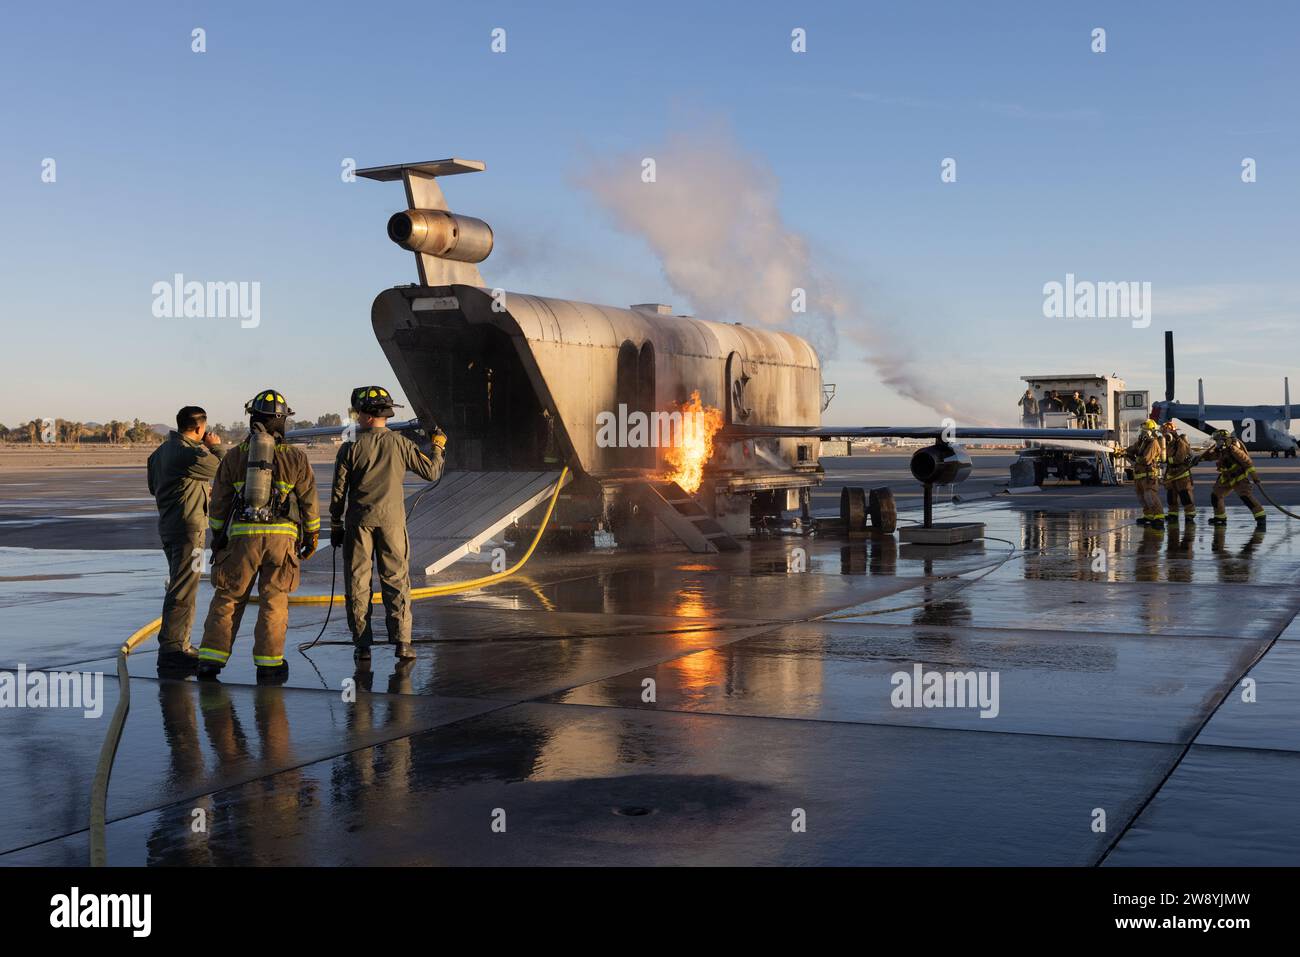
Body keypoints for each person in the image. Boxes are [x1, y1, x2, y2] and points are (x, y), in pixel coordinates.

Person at [197, 390, 319, 684]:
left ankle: (210, 662)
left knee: (227, 599)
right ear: (281, 421)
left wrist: (219, 537)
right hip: (282, 543)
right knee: (274, 601)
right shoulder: (295, 457)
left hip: (240, 541)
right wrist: (312, 536)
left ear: (253, 418)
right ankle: (269, 665)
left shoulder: (235, 456)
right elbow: (309, 503)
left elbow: (219, 505)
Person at [330, 386, 445, 660]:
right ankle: (403, 643)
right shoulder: (401, 444)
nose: (356, 418)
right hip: (392, 524)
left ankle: (362, 644)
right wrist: (438, 447)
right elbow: (431, 472)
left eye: (359, 413)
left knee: (358, 583)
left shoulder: (350, 447)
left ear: (368, 416)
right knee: (395, 581)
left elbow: (338, 491)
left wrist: (336, 524)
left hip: (359, 524)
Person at [146, 406, 224, 674]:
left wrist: (197, 489)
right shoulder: (188, 452)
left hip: (170, 526)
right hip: (190, 531)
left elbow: (157, 485)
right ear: (200, 428)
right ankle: (172, 649)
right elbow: (222, 468)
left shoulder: (158, 454)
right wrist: (214, 447)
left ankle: (181, 644)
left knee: (185, 585)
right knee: (184, 589)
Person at [1200, 429, 1267, 527]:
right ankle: (1220, 517)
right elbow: (1211, 456)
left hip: (1239, 478)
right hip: (1226, 478)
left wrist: (1255, 478)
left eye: (1218, 440)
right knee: (1216, 495)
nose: (1216, 443)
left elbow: (1248, 463)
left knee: (1245, 497)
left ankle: (1260, 517)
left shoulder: (1234, 450)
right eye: (1216, 440)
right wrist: (1200, 458)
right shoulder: (1221, 450)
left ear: (1224, 440)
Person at [1124, 419, 1166, 528]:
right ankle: (1148, 516)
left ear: (1151, 431)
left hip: (1149, 475)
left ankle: (1159, 517)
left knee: (1150, 496)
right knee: (1142, 498)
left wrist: (1134, 458)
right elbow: (1131, 449)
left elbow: (1146, 459)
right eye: (1142, 430)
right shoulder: (1141, 442)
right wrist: (1122, 452)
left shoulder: (1153, 443)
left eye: (1145, 430)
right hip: (1139, 476)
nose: (1142, 432)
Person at [1161, 421, 1196, 522]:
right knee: (1171, 496)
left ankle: (1190, 514)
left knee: (1185, 495)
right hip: (1171, 473)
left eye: (1164, 431)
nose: (1163, 434)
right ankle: (1173, 514)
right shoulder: (1167, 443)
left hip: (1181, 473)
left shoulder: (1179, 442)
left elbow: (1179, 458)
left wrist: (1167, 460)